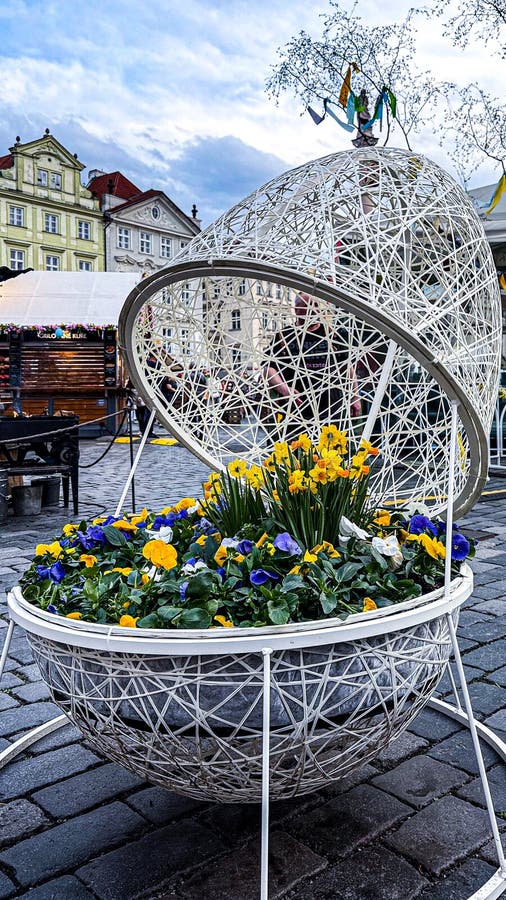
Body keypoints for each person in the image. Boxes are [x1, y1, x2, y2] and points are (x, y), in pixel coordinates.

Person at [263, 292, 360, 434]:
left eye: (315, 305)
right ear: (297, 310)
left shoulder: (333, 334)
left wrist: (355, 397)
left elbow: (347, 368)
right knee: (297, 452)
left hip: (331, 408)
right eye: (307, 305)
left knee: (329, 453)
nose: (313, 309)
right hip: (296, 410)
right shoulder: (284, 336)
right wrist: (284, 389)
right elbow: (268, 369)